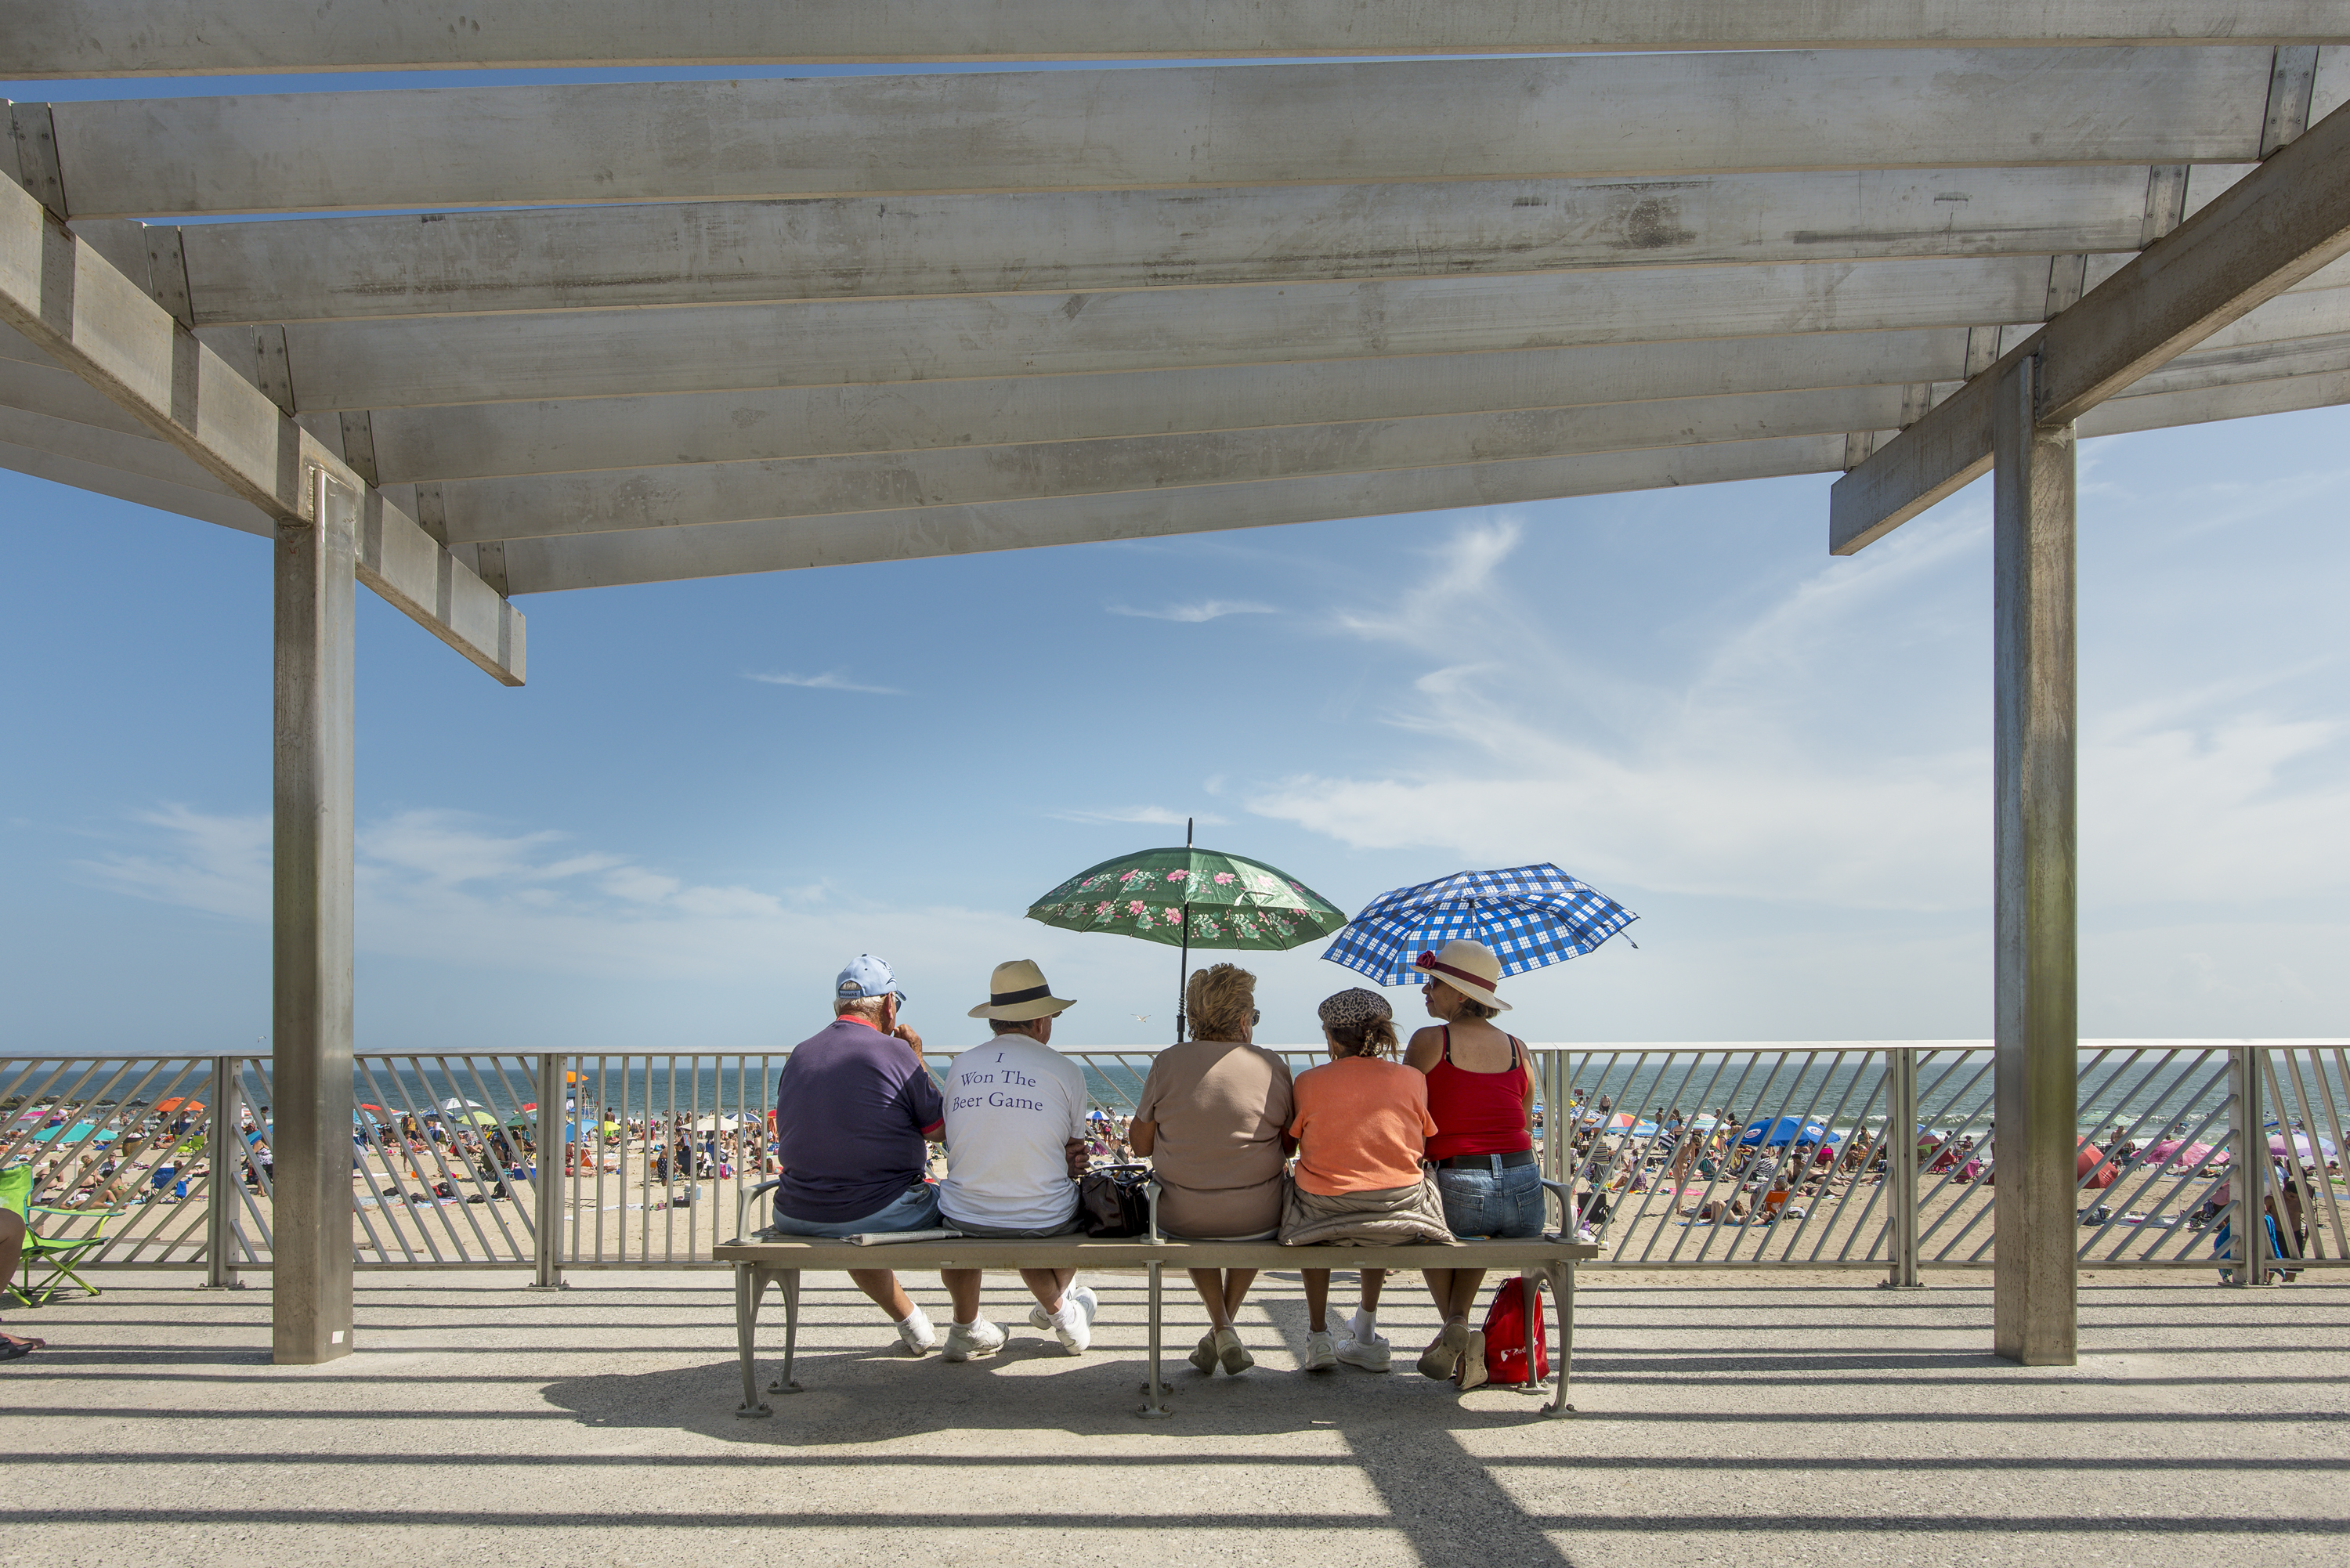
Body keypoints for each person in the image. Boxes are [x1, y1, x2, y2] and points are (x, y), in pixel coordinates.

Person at [770, 953, 946, 1357]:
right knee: (965, 1204)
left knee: (852, 1215)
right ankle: (968, 1324)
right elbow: (938, 1130)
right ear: (888, 1004)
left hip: (796, 1212)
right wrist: (916, 1056)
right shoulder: (896, 1053)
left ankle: (913, 1324)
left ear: (840, 1005)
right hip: (877, 1209)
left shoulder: (800, 1053)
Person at [1129, 963, 1295, 1376]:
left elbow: (1140, 1144)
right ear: (1242, 1020)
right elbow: (1289, 1146)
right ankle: (1223, 1327)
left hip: (1181, 1217)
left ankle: (1221, 1328)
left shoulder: (1167, 1062)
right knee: (1257, 1198)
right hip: (1259, 1215)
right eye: (1253, 1016)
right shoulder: (1271, 1065)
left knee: (1190, 1197)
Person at [1282, 987, 1453, 1374]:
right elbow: (1421, 1143)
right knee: (1376, 1201)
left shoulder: (1308, 1081)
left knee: (1309, 1205)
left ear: (1330, 1036)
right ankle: (1366, 1332)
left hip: (1323, 1211)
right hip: (1399, 1208)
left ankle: (1318, 1336)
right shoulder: (1412, 1078)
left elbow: (1293, 1147)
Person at [936, 960, 1097, 1360]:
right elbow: (1072, 1152)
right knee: (1071, 1206)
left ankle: (964, 1328)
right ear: (1039, 1020)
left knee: (980, 1211)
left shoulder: (960, 1065)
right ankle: (1061, 1313)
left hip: (962, 1213)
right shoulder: (1065, 1070)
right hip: (1041, 1218)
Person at [1403, 940, 1542, 1384]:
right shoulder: (1519, 1047)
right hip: (1525, 1194)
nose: (1425, 991)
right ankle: (1461, 1334)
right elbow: (1523, 1116)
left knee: (1426, 1228)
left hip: (1463, 1184)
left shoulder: (1430, 1041)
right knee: (1477, 1231)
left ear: (1461, 994)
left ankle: (1456, 1325)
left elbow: (1405, 1112)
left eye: (1433, 983)